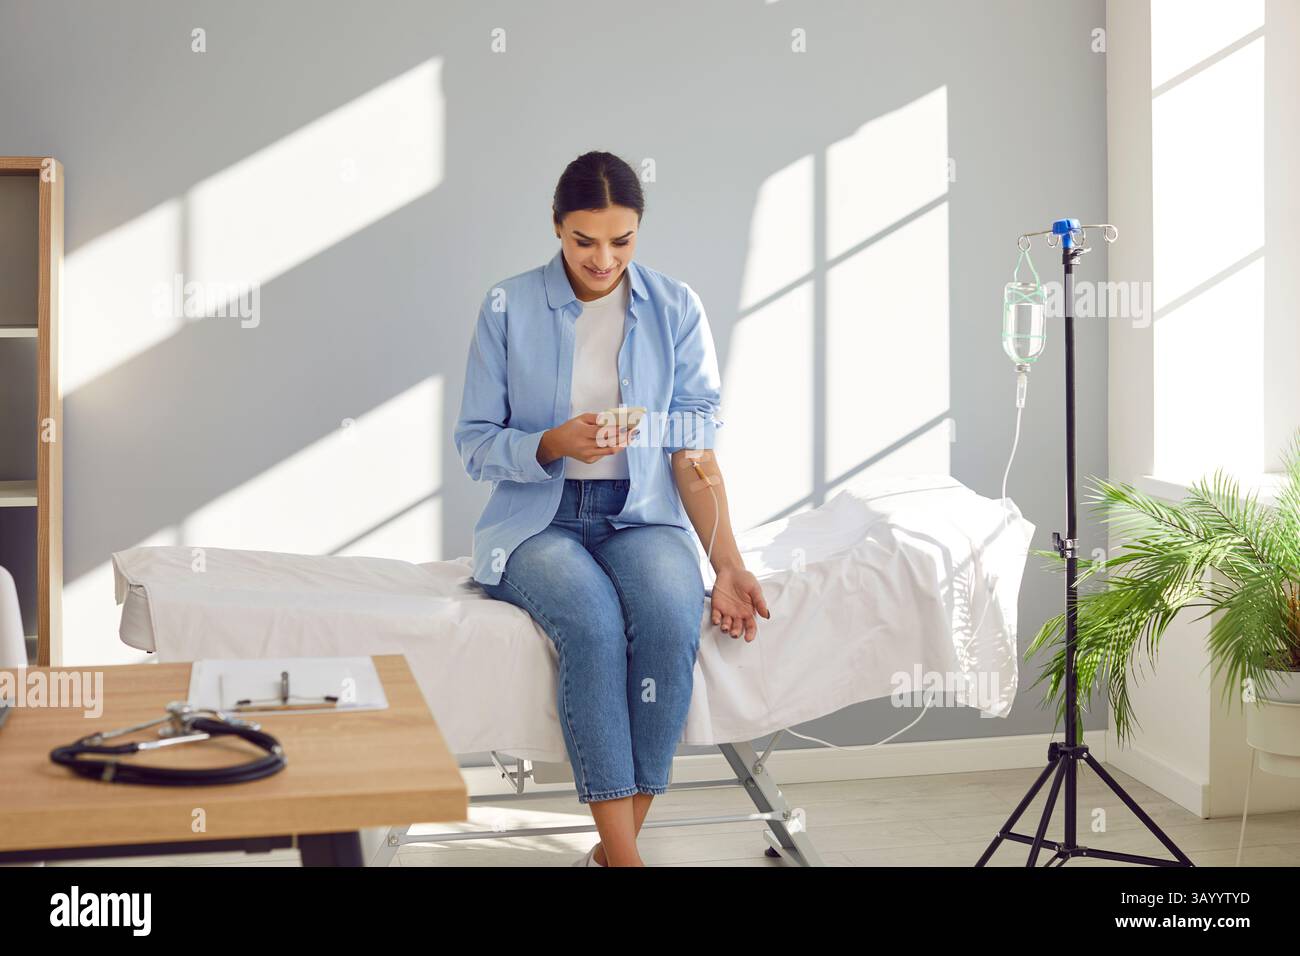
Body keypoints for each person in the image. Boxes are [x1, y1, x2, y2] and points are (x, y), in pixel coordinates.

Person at [453, 150, 770, 867]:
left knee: (666, 618)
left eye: (621, 241)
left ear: (639, 230)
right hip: (540, 521)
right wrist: (550, 443)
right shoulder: (508, 306)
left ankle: (612, 853)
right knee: (593, 626)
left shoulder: (676, 308)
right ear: (557, 227)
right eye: (584, 241)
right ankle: (625, 860)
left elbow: (694, 453)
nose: (603, 259)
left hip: (641, 516)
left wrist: (729, 565)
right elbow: (474, 444)